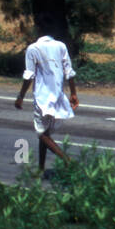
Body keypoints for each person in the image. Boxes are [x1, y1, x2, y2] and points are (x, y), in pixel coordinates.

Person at [14, 22, 78, 173]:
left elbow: (29, 75)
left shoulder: (33, 49)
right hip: (57, 96)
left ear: (38, 29)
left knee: (41, 133)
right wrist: (74, 93)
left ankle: (68, 161)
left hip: (42, 98)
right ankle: (41, 169)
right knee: (45, 133)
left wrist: (20, 96)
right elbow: (69, 71)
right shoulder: (61, 46)